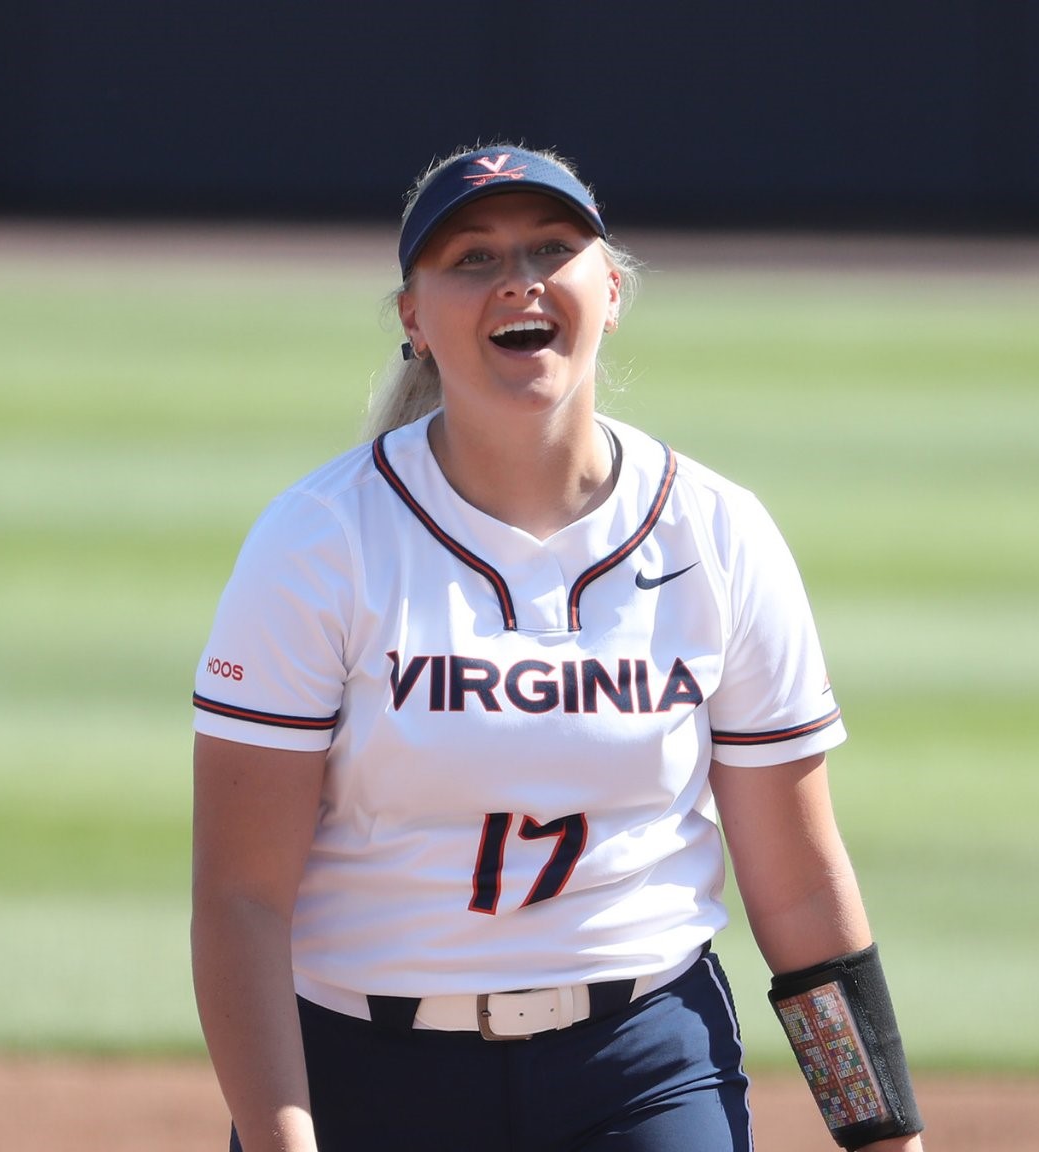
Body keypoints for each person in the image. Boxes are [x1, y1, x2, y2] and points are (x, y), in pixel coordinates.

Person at [191, 142, 925, 1152]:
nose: (517, 280)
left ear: (610, 289)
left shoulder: (713, 533)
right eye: (472, 259)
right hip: (366, 1068)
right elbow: (239, 898)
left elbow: (798, 888)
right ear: (412, 316)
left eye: (550, 247)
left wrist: (884, 1137)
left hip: (641, 1064)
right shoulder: (322, 540)